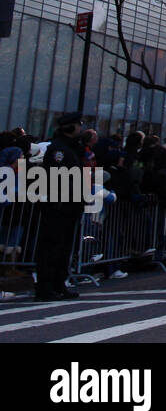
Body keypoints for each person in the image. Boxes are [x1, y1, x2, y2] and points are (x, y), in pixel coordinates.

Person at [34, 114, 87, 300]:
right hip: (58, 204)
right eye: (79, 126)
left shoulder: (71, 149)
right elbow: (59, 177)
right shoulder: (59, 150)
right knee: (51, 247)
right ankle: (45, 286)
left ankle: (58, 283)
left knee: (64, 247)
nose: (81, 130)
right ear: (70, 127)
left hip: (69, 204)